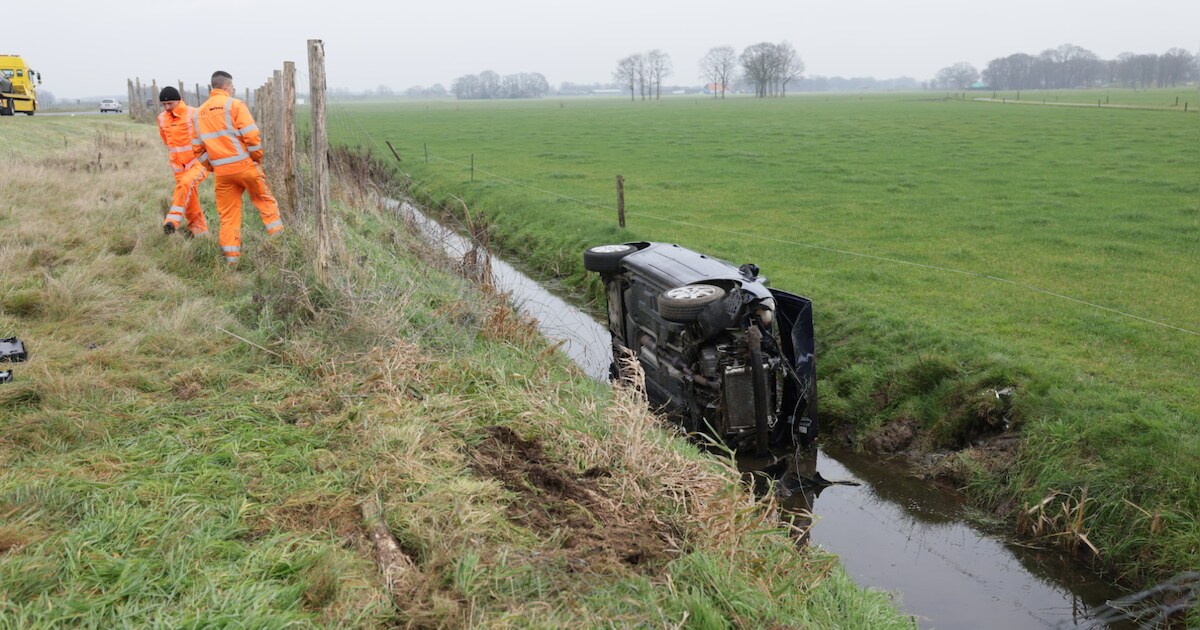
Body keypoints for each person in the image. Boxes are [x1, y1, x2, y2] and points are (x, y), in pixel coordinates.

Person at [191, 70, 283, 265]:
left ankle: (231, 261)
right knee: (266, 204)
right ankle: (281, 248)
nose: (232, 90)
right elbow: (251, 136)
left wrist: (214, 165)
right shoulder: (234, 105)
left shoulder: (198, 113)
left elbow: (197, 149)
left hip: (222, 174)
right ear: (226, 87)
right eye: (232, 87)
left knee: (228, 216)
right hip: (245, 166)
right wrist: (256, 158)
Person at [156, 86, 209, 237]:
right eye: (163, 105)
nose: (166, 108)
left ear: (178, 101)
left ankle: (172, 221)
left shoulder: (194, 114)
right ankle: (199, 232)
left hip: (199, 163)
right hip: (178, 167)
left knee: (186, 183)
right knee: (191, 201)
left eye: (170, 104)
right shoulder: (161, 119)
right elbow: (166, 141)